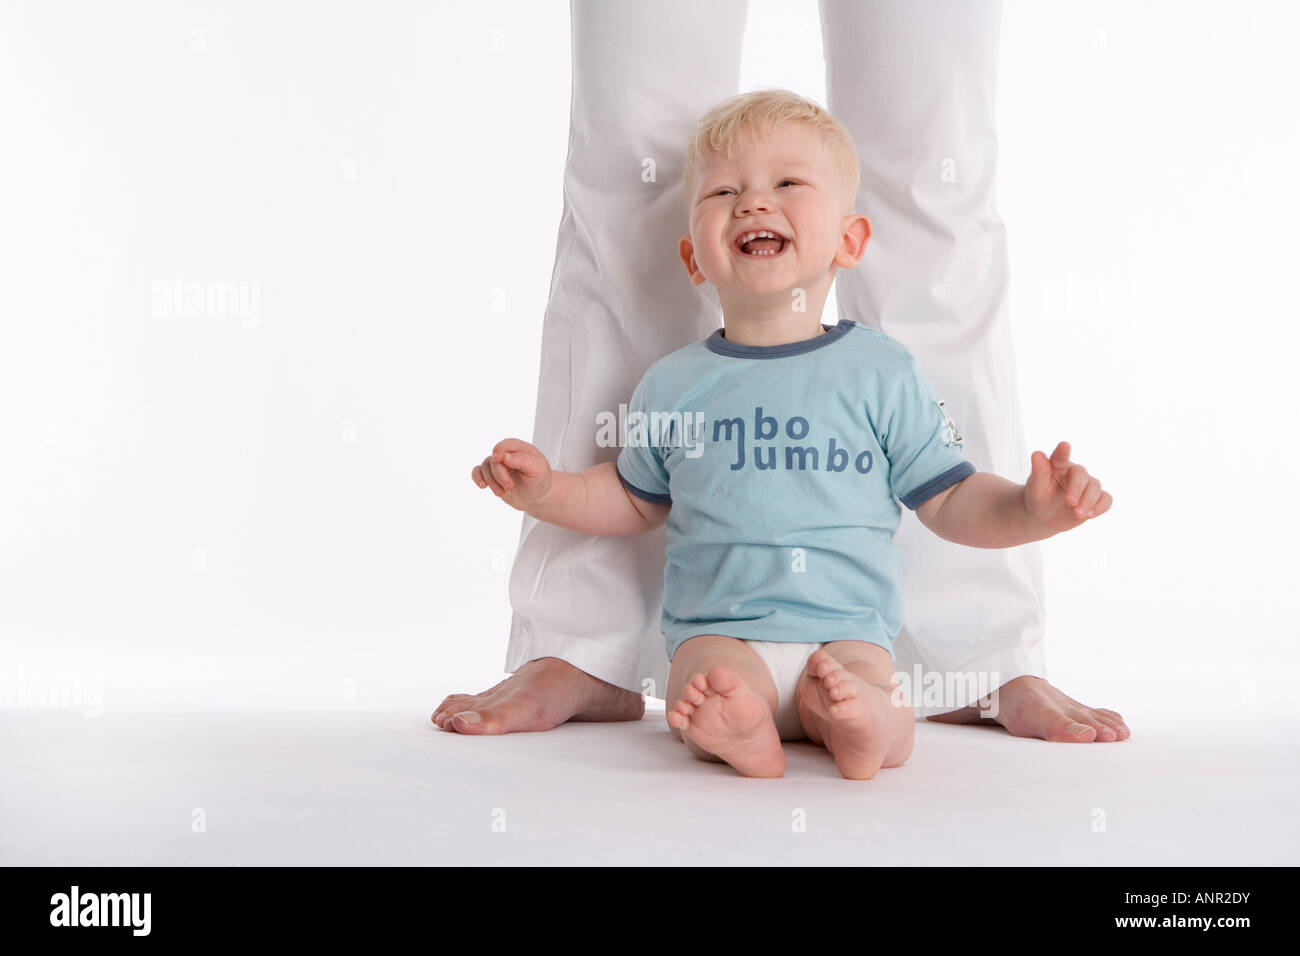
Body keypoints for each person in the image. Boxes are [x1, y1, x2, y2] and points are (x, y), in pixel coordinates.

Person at [435, 0, 1130, 746]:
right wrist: (548, 490)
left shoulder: (878, 372)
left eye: (788, 187)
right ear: (694, 257)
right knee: (634, 157)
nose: (755, 201)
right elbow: (632, 495)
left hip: (849, 636)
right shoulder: (674, 385)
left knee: (932, 149)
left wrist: (1031, 508)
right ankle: (582, 640)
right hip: (720, 636)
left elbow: (950, 491)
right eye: (726, 194)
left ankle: (979, 651)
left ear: (848, 239)